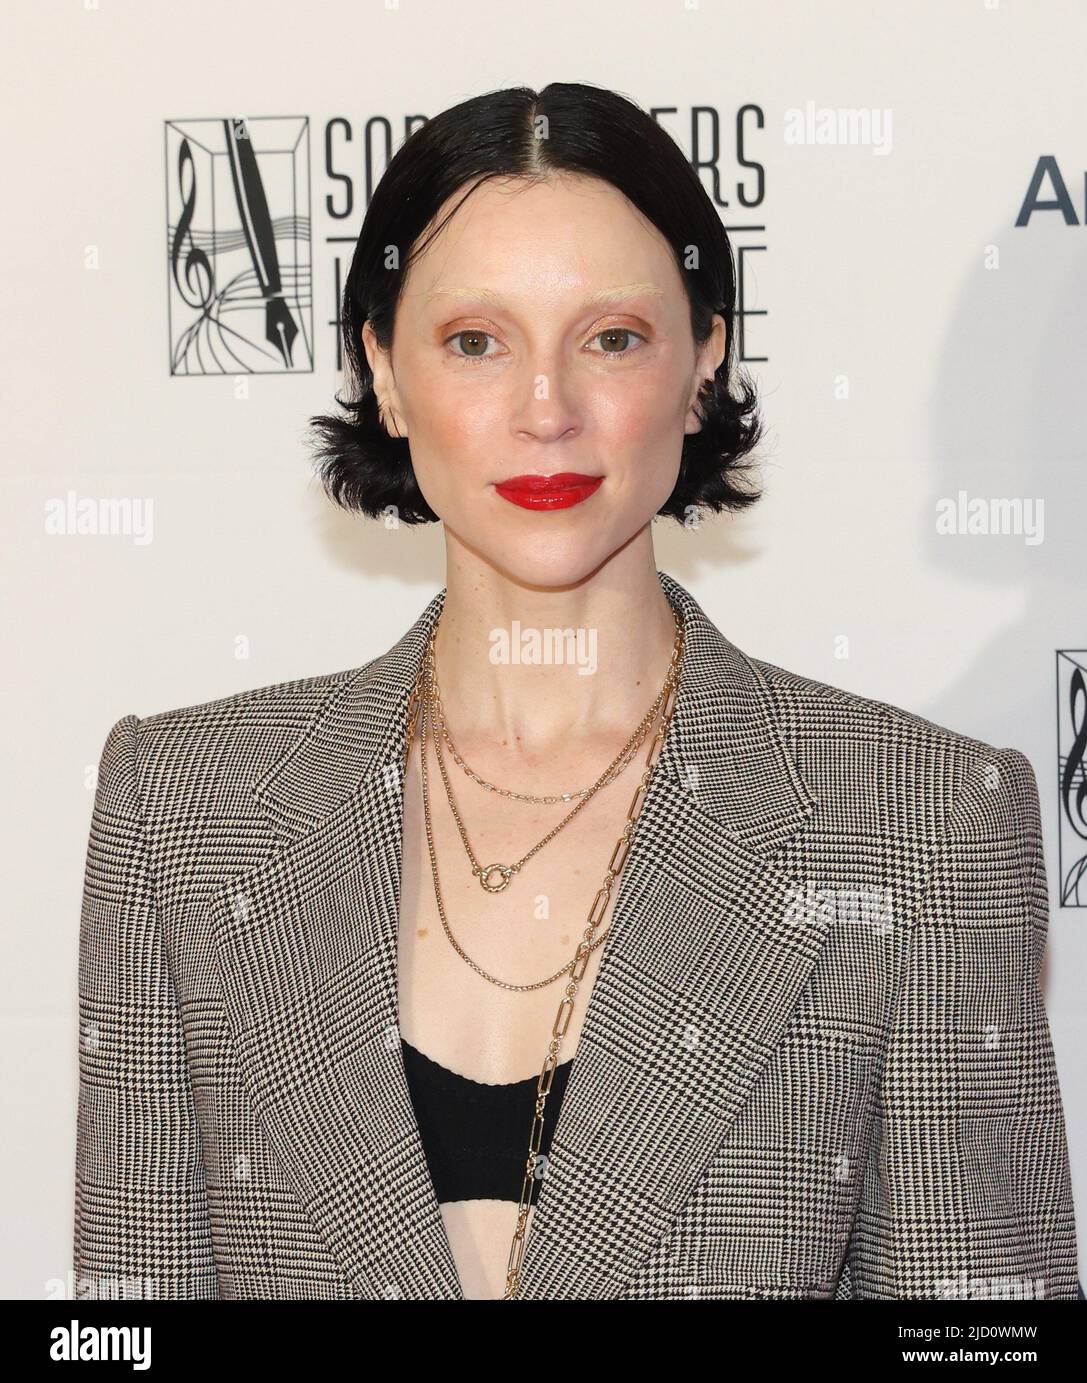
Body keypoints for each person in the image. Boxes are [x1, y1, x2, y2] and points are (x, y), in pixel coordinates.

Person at [73, 82, 1078, 1302]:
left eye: (611, 337)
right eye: (474, 341)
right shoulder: (181, 815)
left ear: (704, 360)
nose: (545, 409)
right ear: (383, 372)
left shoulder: (922, 822)